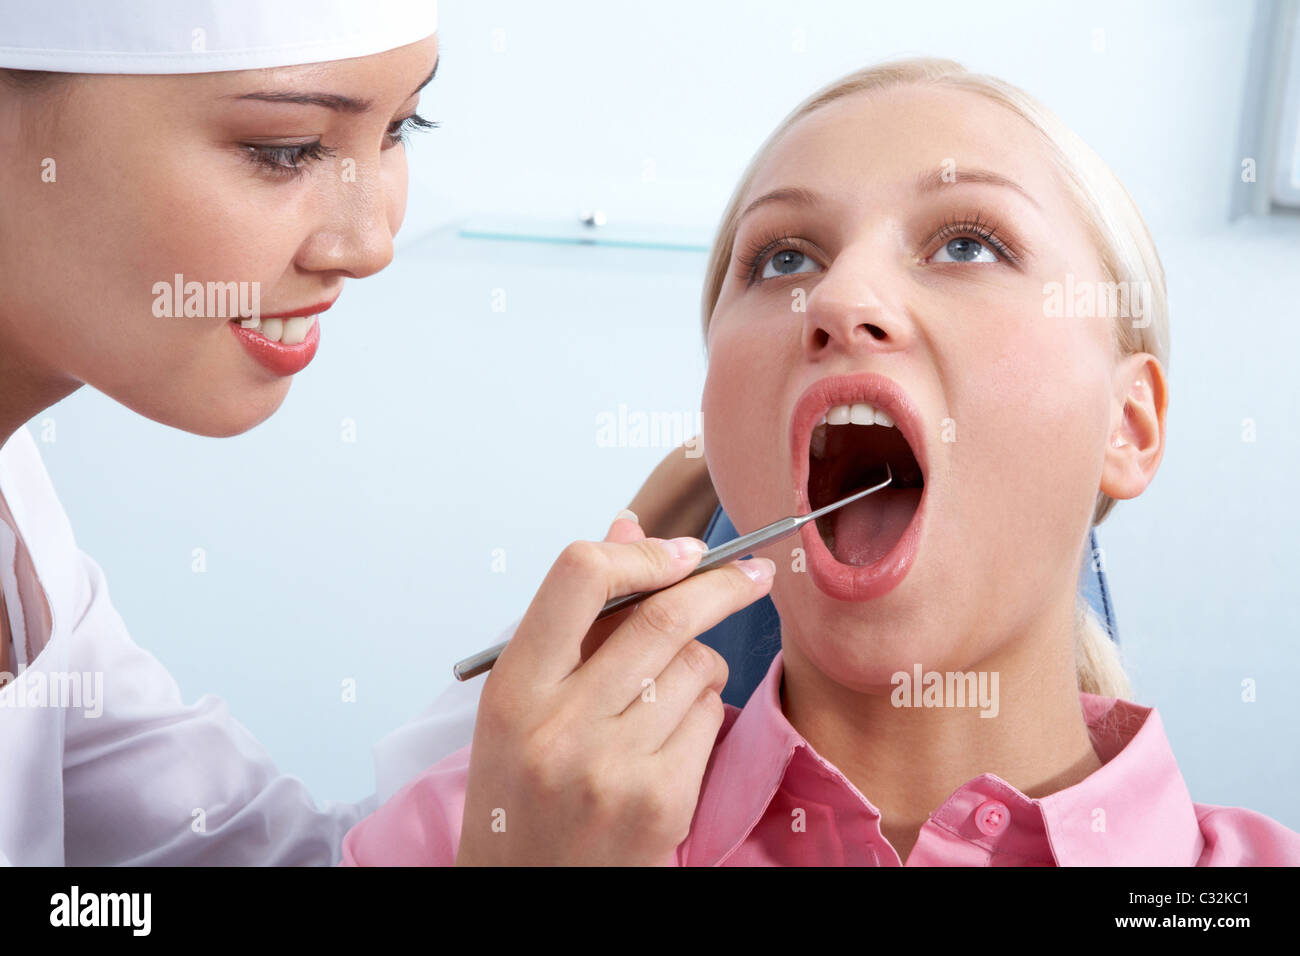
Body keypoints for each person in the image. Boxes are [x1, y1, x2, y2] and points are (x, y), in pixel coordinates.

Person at [341, 57, 1300, 866]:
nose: (840, 299)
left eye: (967, 244)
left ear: (1127, 427)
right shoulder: (489, 834)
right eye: (785, 260)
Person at [0, 0, 760, 865]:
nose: (371, 245)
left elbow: (226, 854)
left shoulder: (24, 533)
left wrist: (537, 732)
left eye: (404, 125)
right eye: (285, 151)